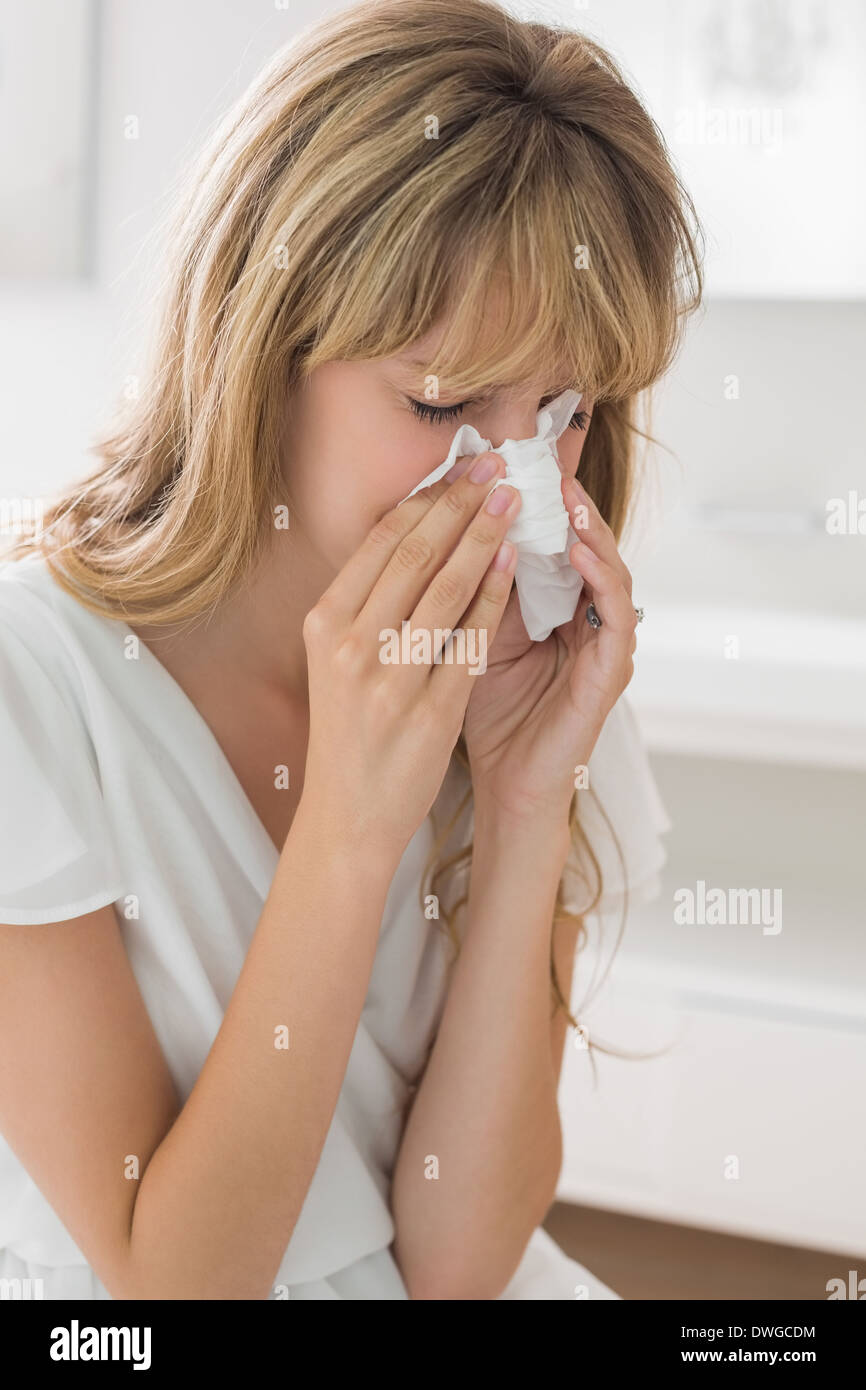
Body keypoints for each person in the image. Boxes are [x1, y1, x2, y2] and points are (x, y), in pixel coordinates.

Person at [0, 0, 701, 1299]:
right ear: (257, 352)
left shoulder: (534, 652)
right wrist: (349, 826)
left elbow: (458, 1262)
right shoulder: (32, 687)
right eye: (437, 400)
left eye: (559, 408)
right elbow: (178, 1289)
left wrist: (524, 793)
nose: (516, 479)